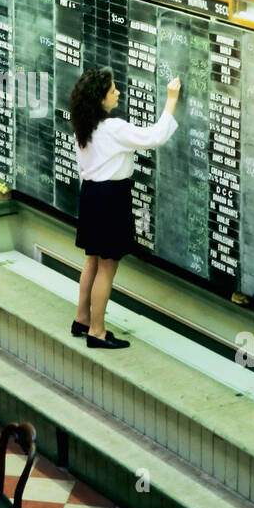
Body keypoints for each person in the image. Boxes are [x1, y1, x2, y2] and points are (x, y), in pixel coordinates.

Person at [68, 68, 180, 349]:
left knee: (92, 260)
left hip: (92, 194)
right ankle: (97, 331)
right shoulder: (113, 127)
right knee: (107, 267)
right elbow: (154, 137)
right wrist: (171, 99)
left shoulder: (83, 126)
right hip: (111, 197)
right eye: (112, 90)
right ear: (100, 99)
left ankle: (81, 318)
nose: (118, 92)